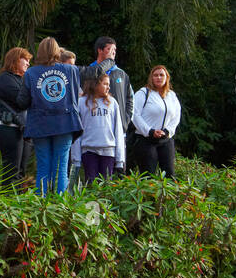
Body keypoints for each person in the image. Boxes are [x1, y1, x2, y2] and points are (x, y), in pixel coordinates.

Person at [16, 37, 81, 195]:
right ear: (57, 52)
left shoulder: (31, 73)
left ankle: (42, 206)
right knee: (61, 166)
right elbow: (75, 96)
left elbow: (22, 102)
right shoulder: (71, 70)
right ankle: (60, 207)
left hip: (40, 125)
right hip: (64, 124)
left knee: (43, 166)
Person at [78, 36, 134, 168]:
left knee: (117, 172)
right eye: (109, 49)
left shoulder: (121, 74)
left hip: (116, 133)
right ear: (100, 50)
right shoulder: (88, 73)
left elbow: (130, 98)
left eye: (115, 49)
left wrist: (125, 121)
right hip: (91, 135)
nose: (113, 52)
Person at [131, 65, 181, 178]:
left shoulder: (171, 95)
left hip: (165, 139)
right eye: (156, 75)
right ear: (151, 78)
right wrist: (149, 131)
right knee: (148, 175)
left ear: (166, 77)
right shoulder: (143, 93)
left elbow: (176, 115)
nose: (159, 77)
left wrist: (168, 131)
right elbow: (134, 114)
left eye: (161, 75)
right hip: (146, 140)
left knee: (169, 174)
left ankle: (167, 196)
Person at [0, 47, 32, 189]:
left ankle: (18, 204)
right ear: (15, 60)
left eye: (29, 61)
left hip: (22, 129)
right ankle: (7, 202)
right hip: (7, 128)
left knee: (21, 170)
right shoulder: (5, 79)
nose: (28, 63)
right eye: (25, 59)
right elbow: (22, 101)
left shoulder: (23, 79)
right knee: (11, 169)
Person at [78, 68, 125, 181]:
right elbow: (77, 132)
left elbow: (118, 130)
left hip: (108, 150)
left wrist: (120, 160)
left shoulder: (112, 103)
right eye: (105, 84)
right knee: (91, 183)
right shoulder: (82, 102)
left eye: (109, 84)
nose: (108, 87)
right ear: (95, 84)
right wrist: (76, 158)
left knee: (106, 184)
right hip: (89, 150)